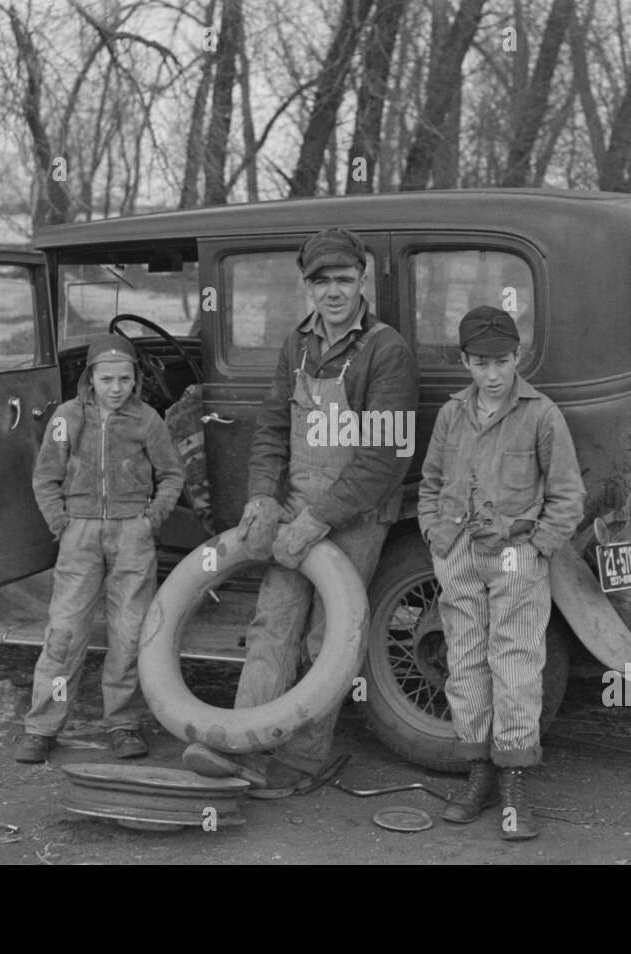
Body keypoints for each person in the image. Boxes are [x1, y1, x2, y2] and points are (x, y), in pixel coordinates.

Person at [182, 227, 419, 797]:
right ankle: (239, 747)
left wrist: (320, 519)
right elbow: (271, 427)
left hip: (357, 516)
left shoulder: (388, 351)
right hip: (294, 507)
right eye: (321, 282)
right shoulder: (297, 344)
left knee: (326, 637)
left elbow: (386, 456)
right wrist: (263, 497)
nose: (333, 292)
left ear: (362, 280)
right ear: (307, 285)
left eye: (343, 279)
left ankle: (301, 760)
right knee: (272, 624)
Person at [418, 306, 585, 840]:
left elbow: (567, 496)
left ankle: (514, 780)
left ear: (519, 357)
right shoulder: (451, 415)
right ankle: (478, 773)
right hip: (457, 553)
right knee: (464, 659)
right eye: (482, 362)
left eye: (504, 361)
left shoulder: (541, 415)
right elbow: (429, 483)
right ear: (465, 361)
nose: (494, 374)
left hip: (515, 557)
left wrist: (537, 547)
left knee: (514, 662)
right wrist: (434, 534)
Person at [15, 334, 186, 763]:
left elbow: (171, 476)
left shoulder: (148, 420)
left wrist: (150, 521)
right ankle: (42, 727)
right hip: (81, 535)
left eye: (124, 378)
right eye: (106, 378)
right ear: (90, 378)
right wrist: (62, 524)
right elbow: (45, 478)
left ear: (135, 379)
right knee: (65, 633)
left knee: (129, 634)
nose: (115, 387)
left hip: (132, 534)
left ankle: (123, 724)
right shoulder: (67, 417)